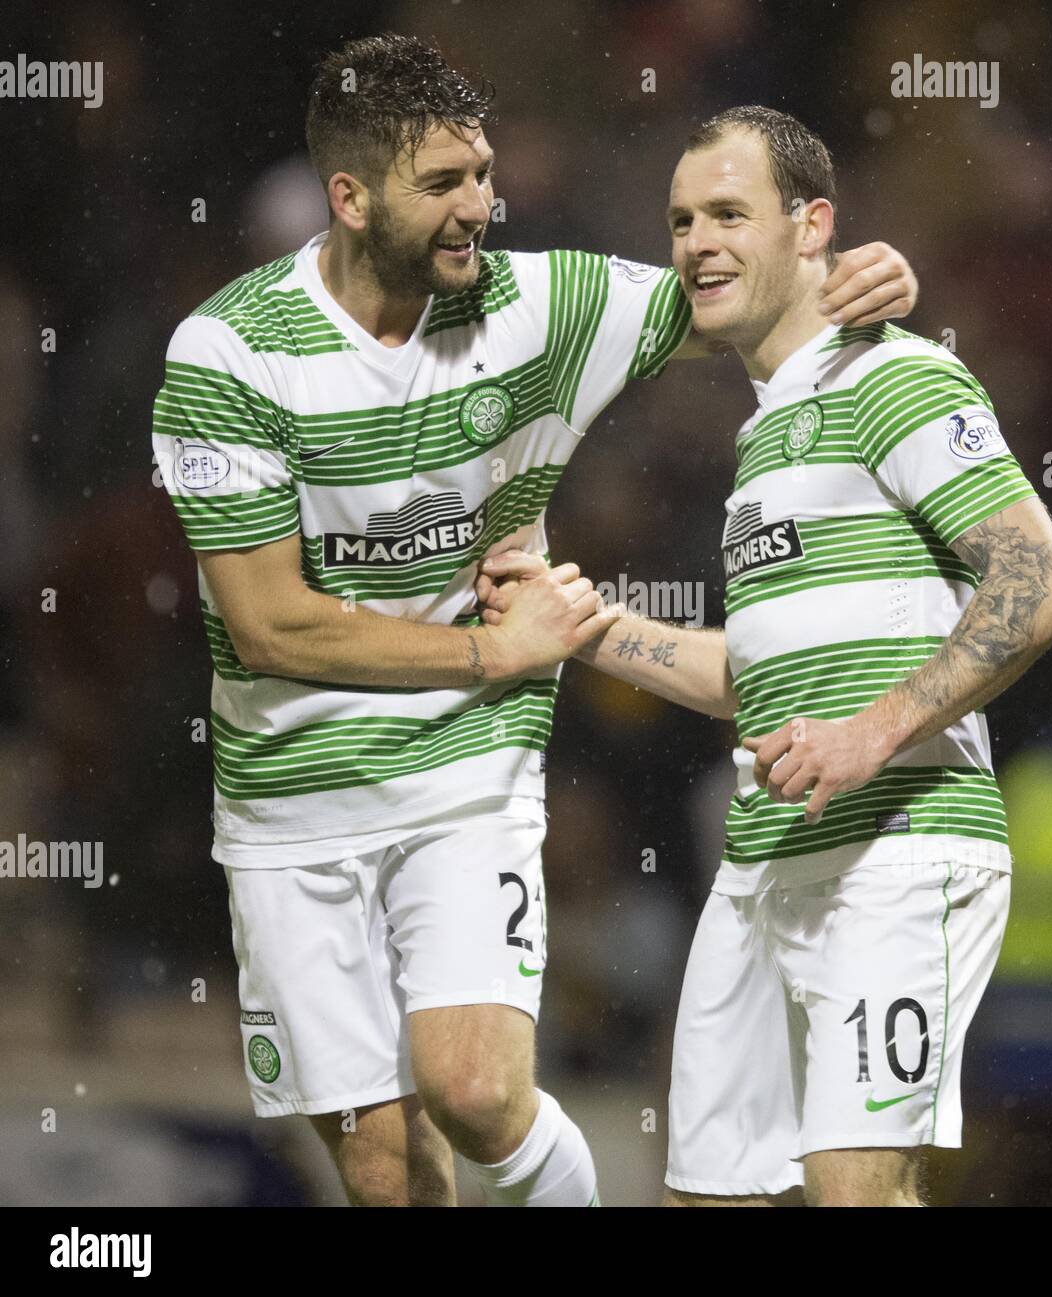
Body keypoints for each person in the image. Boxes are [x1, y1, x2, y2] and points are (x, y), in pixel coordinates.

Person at [151, 35, 918, 1207]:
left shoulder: (546, 304)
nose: (480, 207)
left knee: (471, 1088)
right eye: (444, 185)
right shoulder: (228, 356)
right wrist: (488, 645)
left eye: (484, 175)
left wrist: (858, 277)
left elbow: (739, 292)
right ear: (349, 198)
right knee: (380, 1166)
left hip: (468, 750)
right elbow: (269, 627)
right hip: (287, 786)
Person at [481, 105, 1052, 1206]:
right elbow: (748, 678)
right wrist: (588, 622)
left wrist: (873, 732)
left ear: (814, 228)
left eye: (726, 213)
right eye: (679, 220)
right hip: (764, 861)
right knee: (709, 1199)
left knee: (855, 1190)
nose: (696, 241)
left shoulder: (899, 377)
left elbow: (1040, 584)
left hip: (900, 848)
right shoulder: (761, 434)